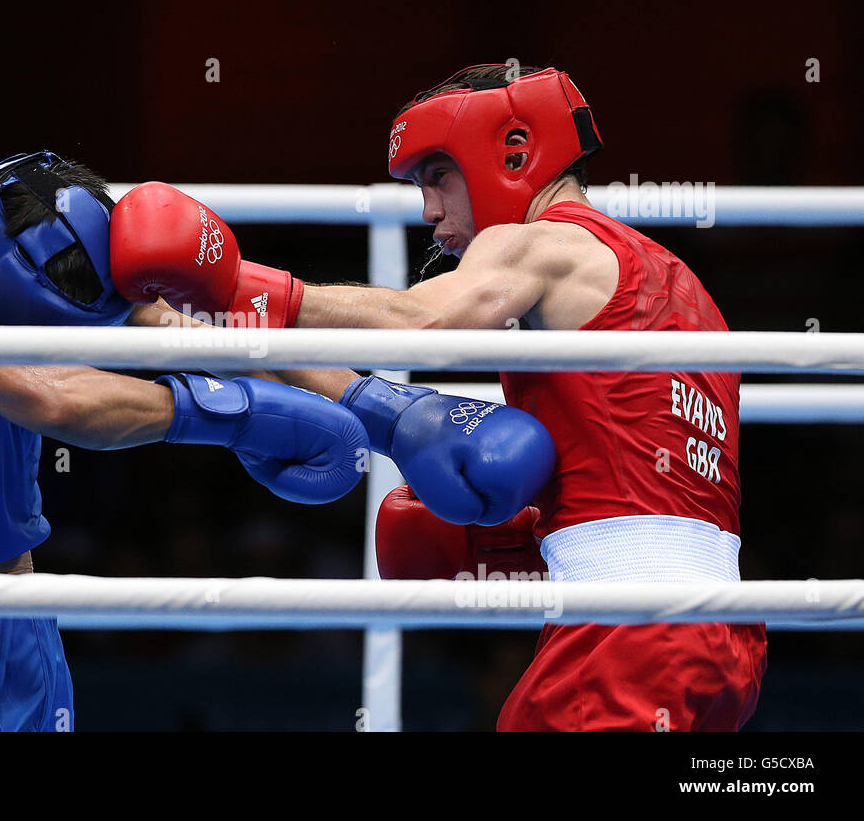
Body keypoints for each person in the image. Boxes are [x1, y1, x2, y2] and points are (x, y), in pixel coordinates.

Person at [108, 64, 768, 732]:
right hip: (724, 641)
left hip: (624, 636)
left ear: (514, 151)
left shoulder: (544, 242)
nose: (428, 212)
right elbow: (641, 473)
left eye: (438, 176)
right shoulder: (684, 289)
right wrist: (199, 328)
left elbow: (420, 322)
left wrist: (241, 289)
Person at [0, 151, 370, 731]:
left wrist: (381, 417)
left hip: (19, 602)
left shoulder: (62, 267)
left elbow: (212, 341)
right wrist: (233, 417)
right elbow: (49, 398)